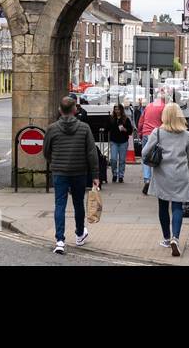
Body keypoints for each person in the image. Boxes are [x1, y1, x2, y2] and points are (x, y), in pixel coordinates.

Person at [42, 96, 100, 255]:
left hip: (59, 172)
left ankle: (60, 240)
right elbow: (91, 153)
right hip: (79, 171)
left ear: (60, 110)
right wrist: (95, 174)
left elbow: (46, 151)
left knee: (60, 205)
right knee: (78, 203)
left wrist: (54, 163)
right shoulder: (84, 128)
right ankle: (80, 234)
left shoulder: (52, 128)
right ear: (75, 110)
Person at [144, 101, 189, 256]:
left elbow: (145, 152)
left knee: (163, 207)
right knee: (178, 207)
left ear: (164, 116)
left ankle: (166, 238)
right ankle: (175, 238)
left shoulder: (157, 133)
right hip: (180, 175)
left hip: (162, 175)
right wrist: (186, 170)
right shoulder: (186, 134)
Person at [136, 91, 167, 195]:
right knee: (156, 157)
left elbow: (141, 121)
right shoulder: (164, 108)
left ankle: (147, 179)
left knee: (145, 157)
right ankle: (154, 180)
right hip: (159, 135)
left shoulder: (148, 106)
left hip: (146, 133)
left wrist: (140, 132)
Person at [107, 103, 133, 183]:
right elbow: (107, 128)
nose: (117, 111)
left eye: (118, 109)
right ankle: (114, 174)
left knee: (122, 160)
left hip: (123, 142)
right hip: (114, 141)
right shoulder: (111, 118)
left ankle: (121, 175)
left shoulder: (125, 119)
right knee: (113, 159)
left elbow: (130, 131)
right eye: (115, 109)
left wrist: (125, 129)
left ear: (121, 110)